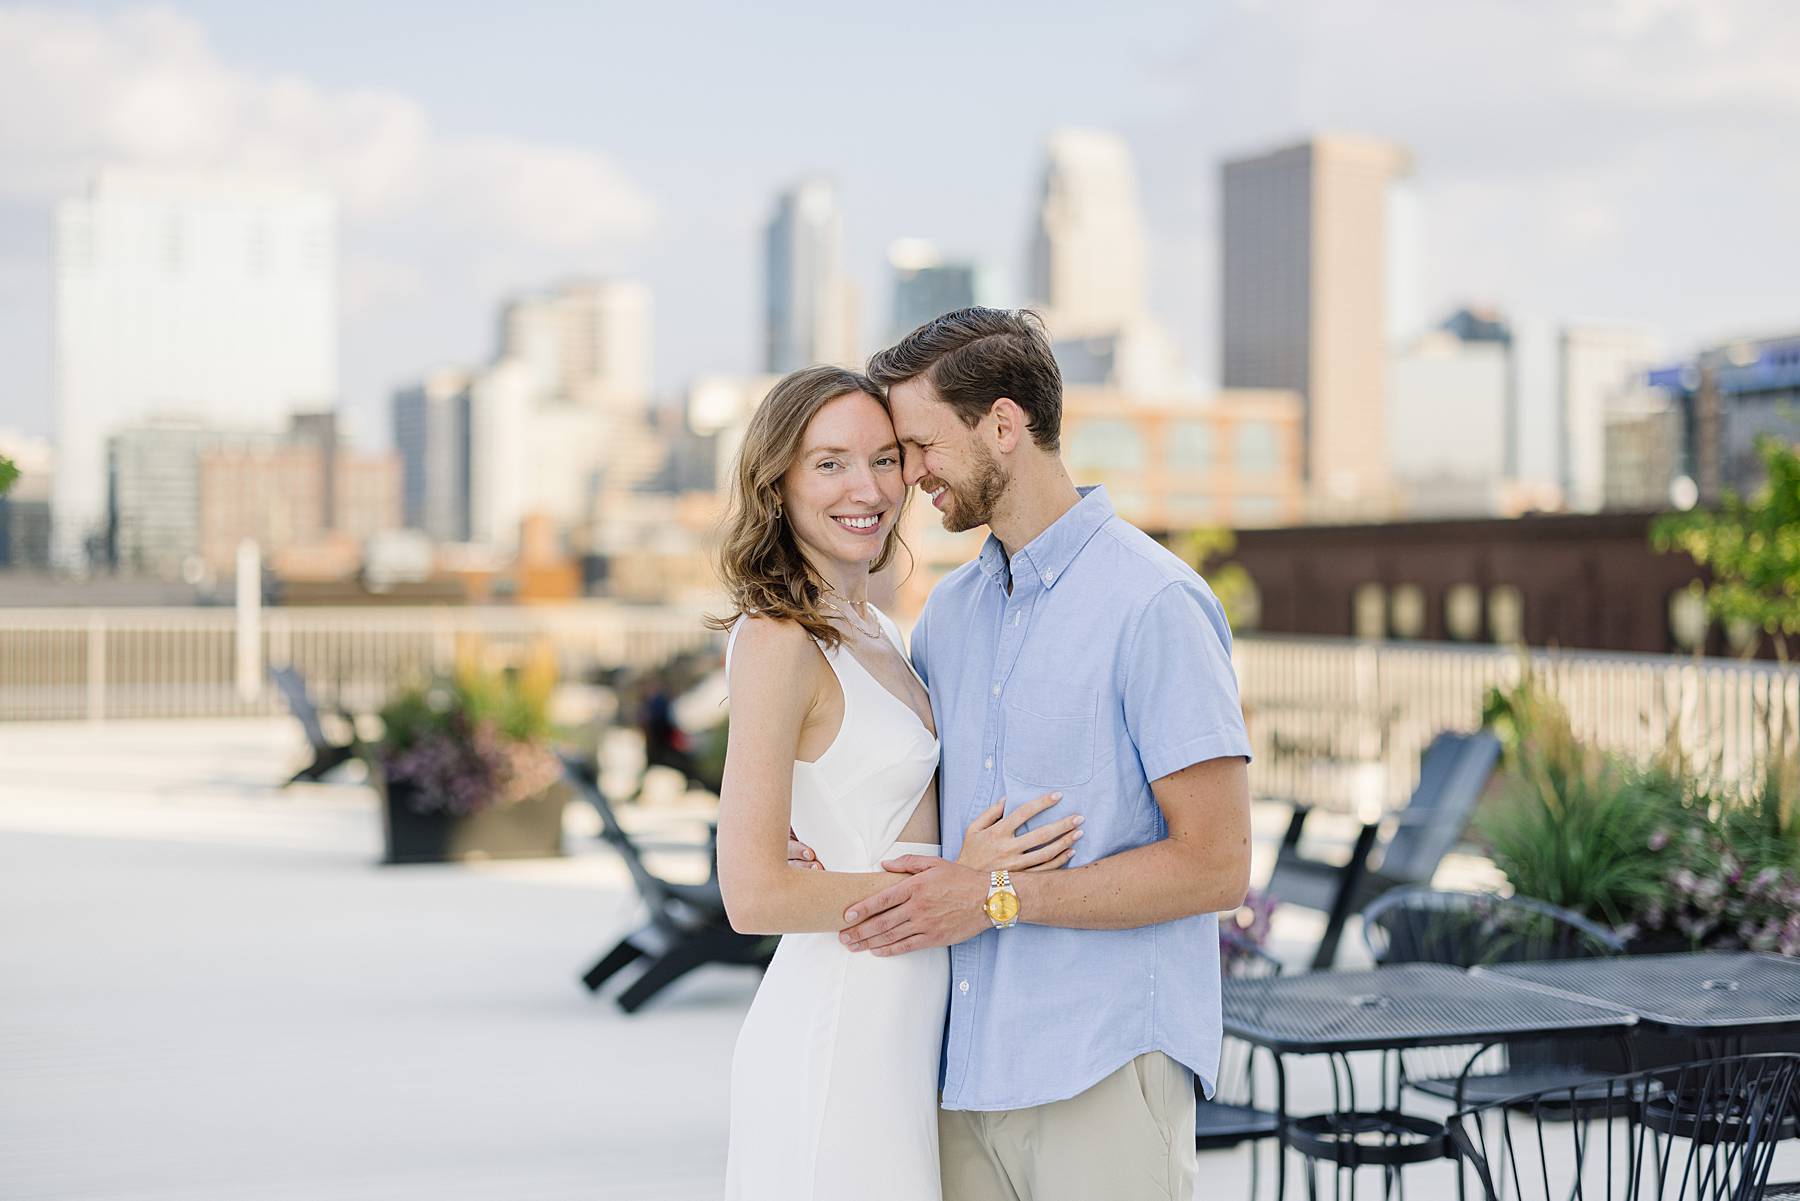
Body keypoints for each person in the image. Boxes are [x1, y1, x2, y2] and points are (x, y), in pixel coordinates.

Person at [822, 307, 1255, 1201]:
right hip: (961, 1076)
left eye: (919, 446)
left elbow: (1217, 865)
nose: (908, 476)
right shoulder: (949, 612)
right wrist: (826, 846)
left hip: (1100, 1068)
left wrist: (997, 896)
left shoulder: (1155, 603)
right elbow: (917, 794)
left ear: (1005, 425)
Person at [710, 364, 1082, 1201]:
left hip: (905, 1035)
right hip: (838, 1028)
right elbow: (753, 892)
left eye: (885, 458)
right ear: (779, 481)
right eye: (830, 462)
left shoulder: (876, 626)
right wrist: (959, 883)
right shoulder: (777, 638)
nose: (867, 487)